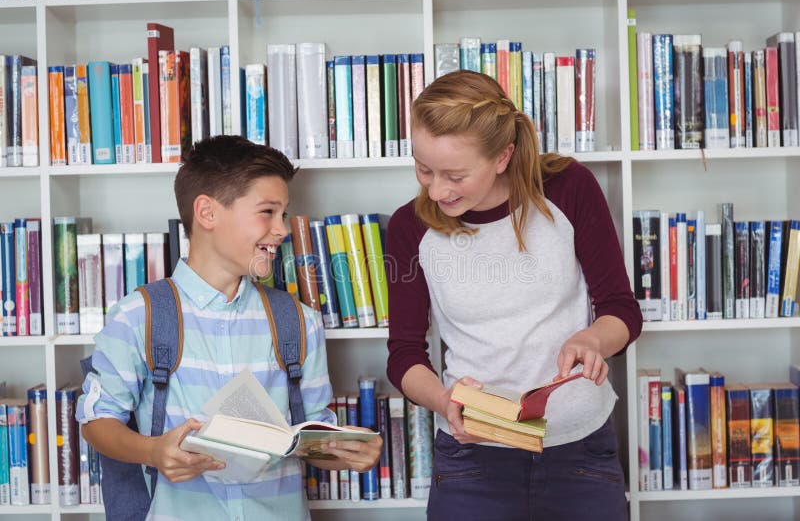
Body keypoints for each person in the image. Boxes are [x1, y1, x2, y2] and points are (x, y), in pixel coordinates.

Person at [77, 135, 382, 520]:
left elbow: (312, 441)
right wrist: (153, 452)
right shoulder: (138, 315)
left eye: (284, 214)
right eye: (268, 212)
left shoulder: (299, 321)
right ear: (207, 213)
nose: (283, 230)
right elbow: (96, 422)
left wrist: (352, 453)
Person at [385, 71, 643, 520]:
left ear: (503, 156)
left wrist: (594, 340)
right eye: (423, 168)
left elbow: (621, 309)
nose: (435, 189)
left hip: (580, 452)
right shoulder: (411, 227)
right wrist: (444, 402)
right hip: (473, 462)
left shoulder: (569, 188)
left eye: (455, 175)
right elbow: (404, 354)